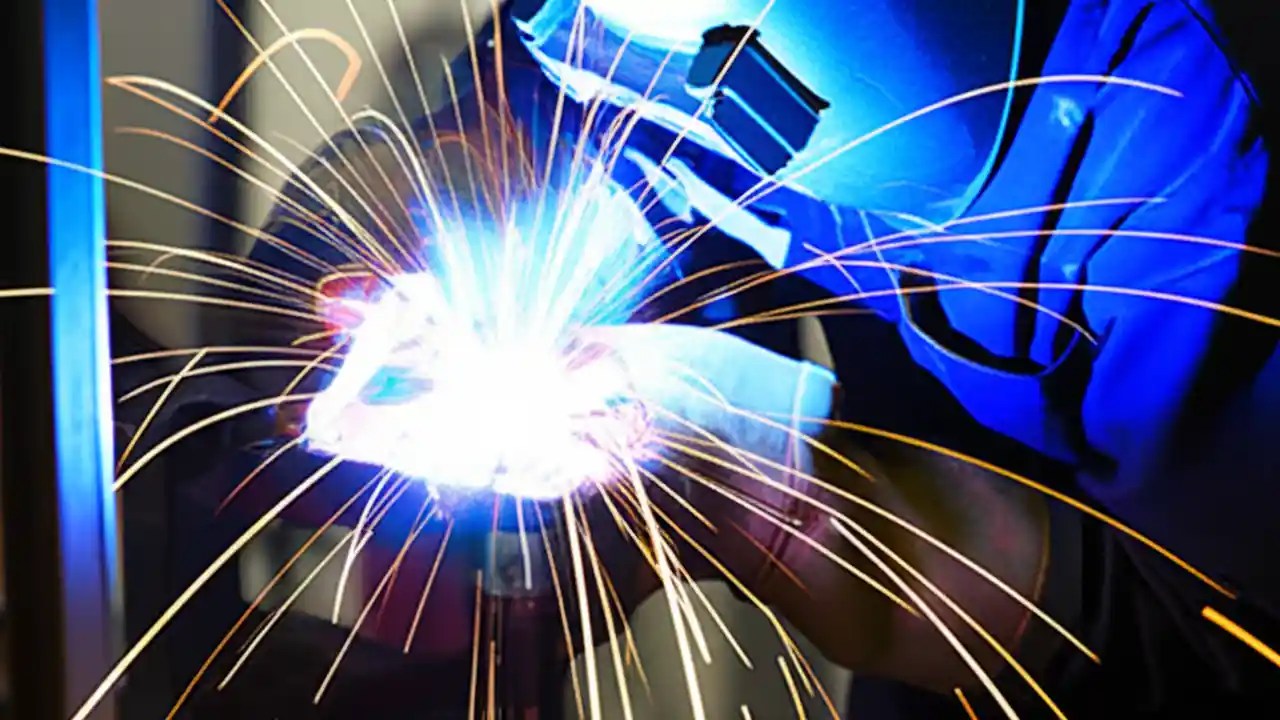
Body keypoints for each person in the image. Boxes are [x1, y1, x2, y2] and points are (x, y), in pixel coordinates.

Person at [239, 0, 1280, 716]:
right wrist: (402, 216)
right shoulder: (639, 34)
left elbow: (1178, 656)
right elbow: (541, 108)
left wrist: (768, 497)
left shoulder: (1195, 208)